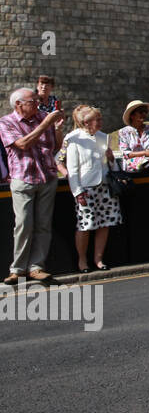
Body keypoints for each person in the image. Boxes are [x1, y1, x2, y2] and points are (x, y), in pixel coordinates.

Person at [0, 87, 64, 284]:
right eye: (32, 101)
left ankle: (36, 267)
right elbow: (22, 144)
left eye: (37, 101)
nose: (37, 104)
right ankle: (17, 269)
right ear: (18, 104)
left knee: (43, 225)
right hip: (23, 178)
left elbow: (55, 147)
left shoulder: (43, 117)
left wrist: (58, 129)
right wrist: (46, 124)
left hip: (46, 177)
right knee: (24, 224)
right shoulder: (6, 122)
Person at [64, 105, 122, 273]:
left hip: (105, 186)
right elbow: (72, 169)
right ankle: (82, 260)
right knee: (85, 225)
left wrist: (111, 159)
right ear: (86, 122)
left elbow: (112, 166)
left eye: (100, 118)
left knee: (105, 223)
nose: (101, 122)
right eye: (98, 119)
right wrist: (77, 192)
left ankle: (99, 258)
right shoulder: (74, 138)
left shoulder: (104, 137)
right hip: (86, 187)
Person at [117, 100, 149, 172]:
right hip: (133, 170)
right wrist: (145, 153)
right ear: (132, 115)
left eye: (145, 112)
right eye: (140, 112)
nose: (144, 114)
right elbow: (125, 154)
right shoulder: (123, 132)